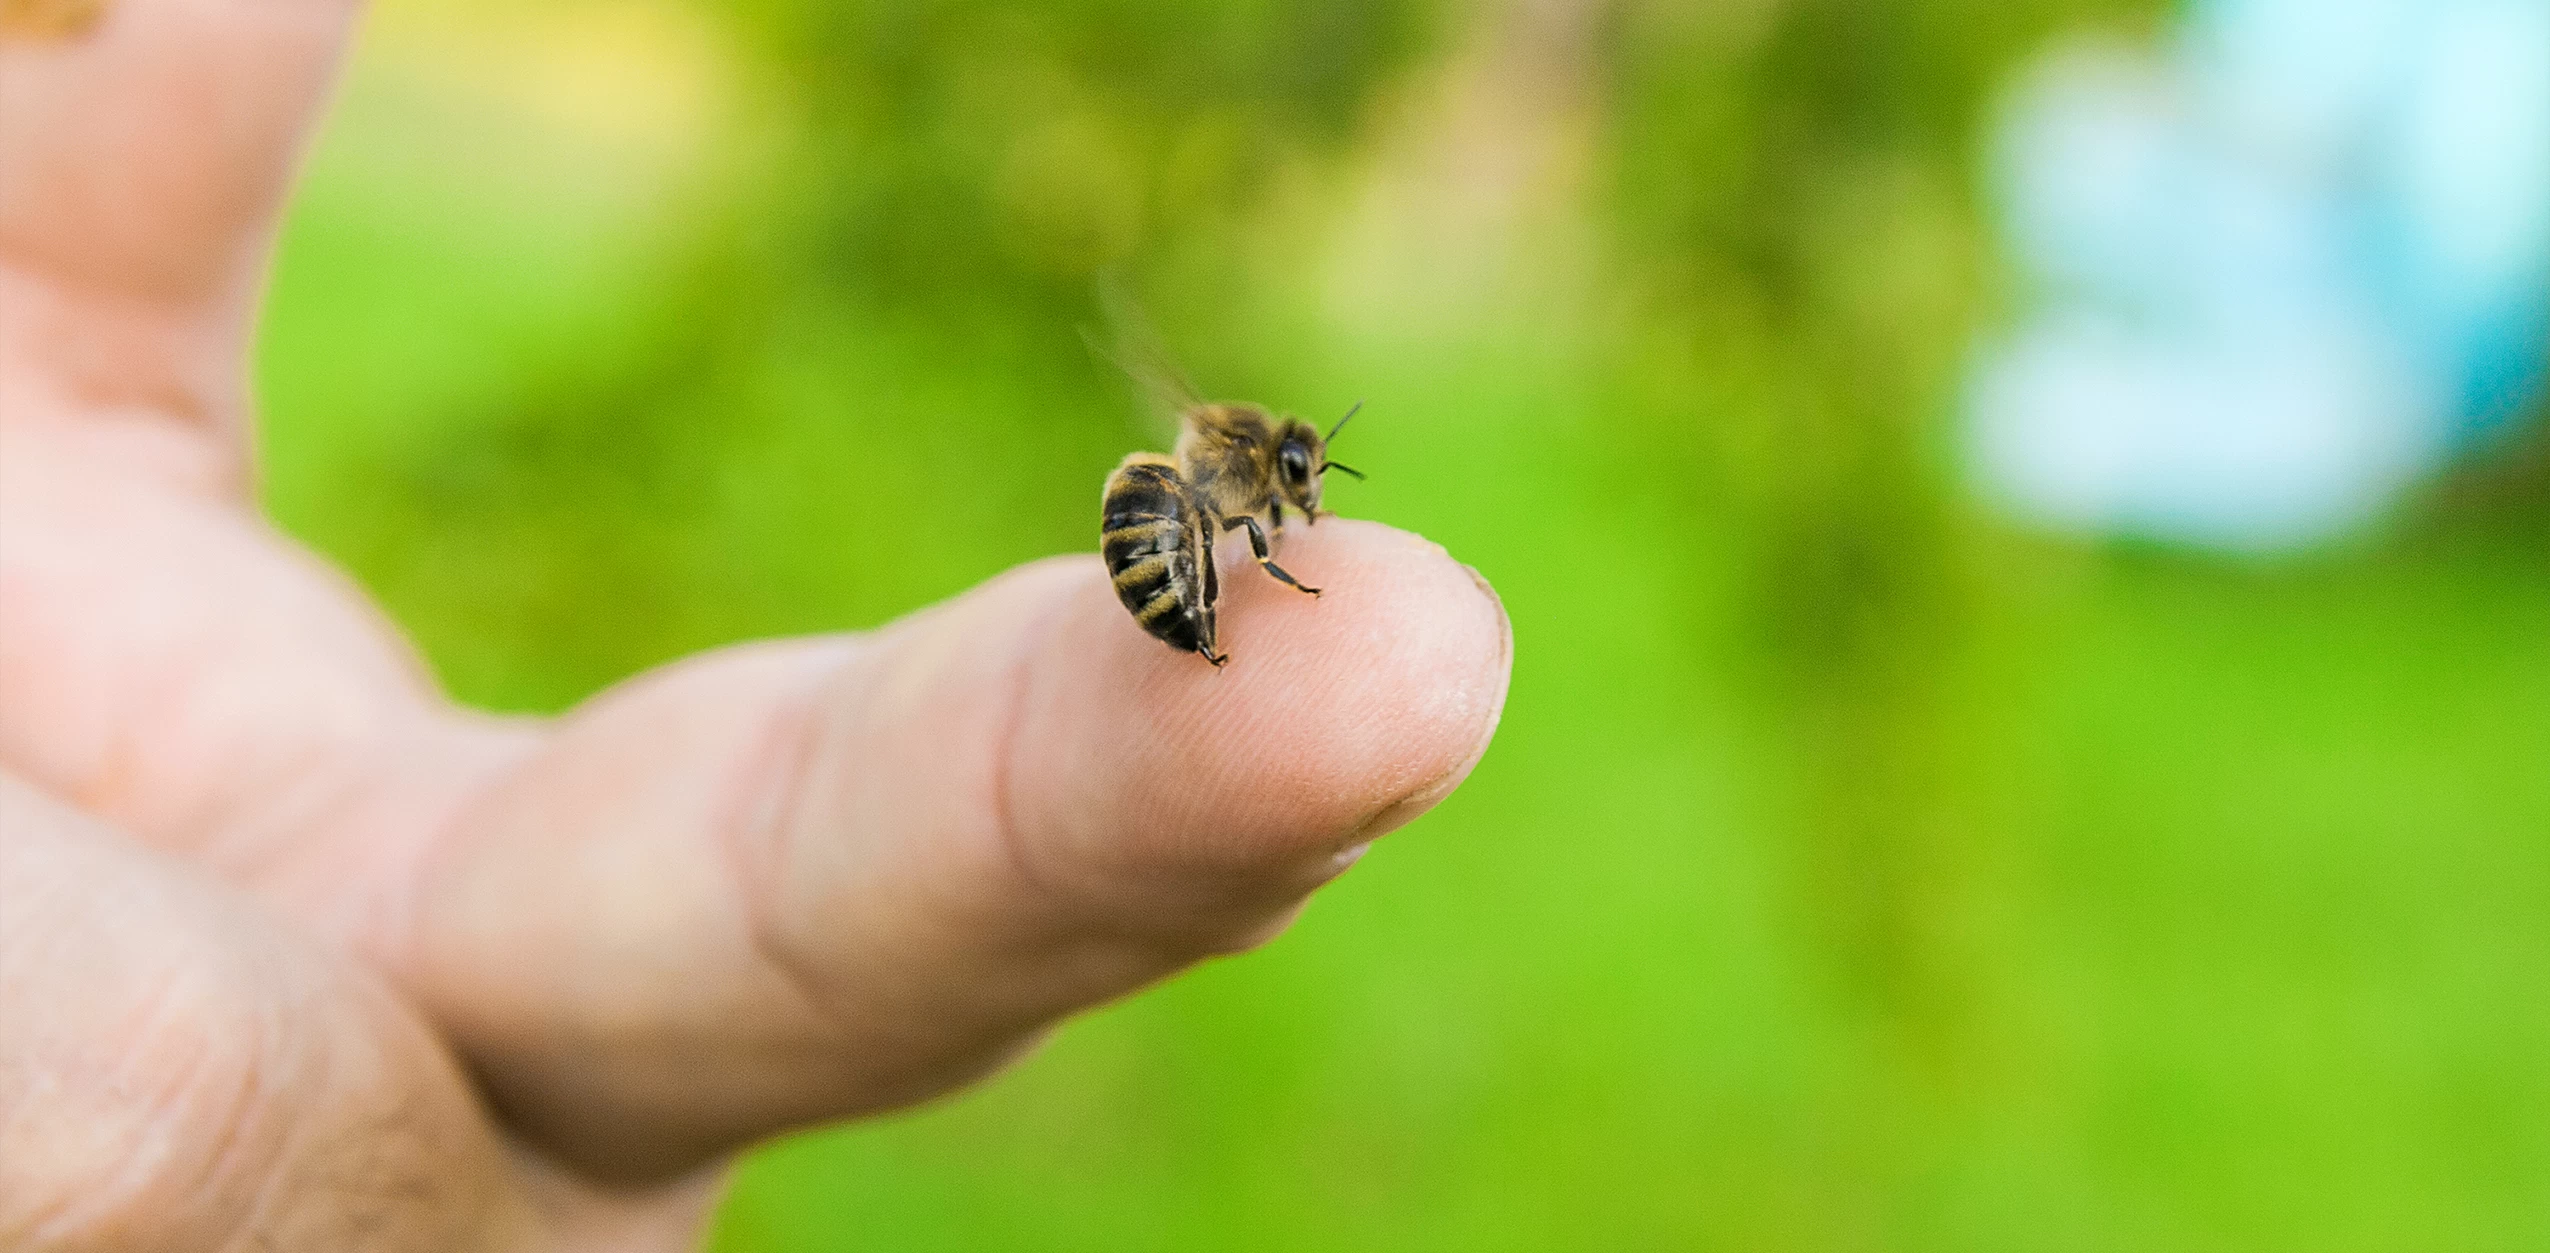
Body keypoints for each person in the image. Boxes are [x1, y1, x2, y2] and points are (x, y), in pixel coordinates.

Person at [0, 1, 1512, 1246]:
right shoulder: (1220, 480)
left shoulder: (1234, 483)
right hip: (1162, 546)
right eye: (1294, 483)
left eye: (1295, 488)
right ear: (1264, 465)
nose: (1302, 495)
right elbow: (1210, 501)